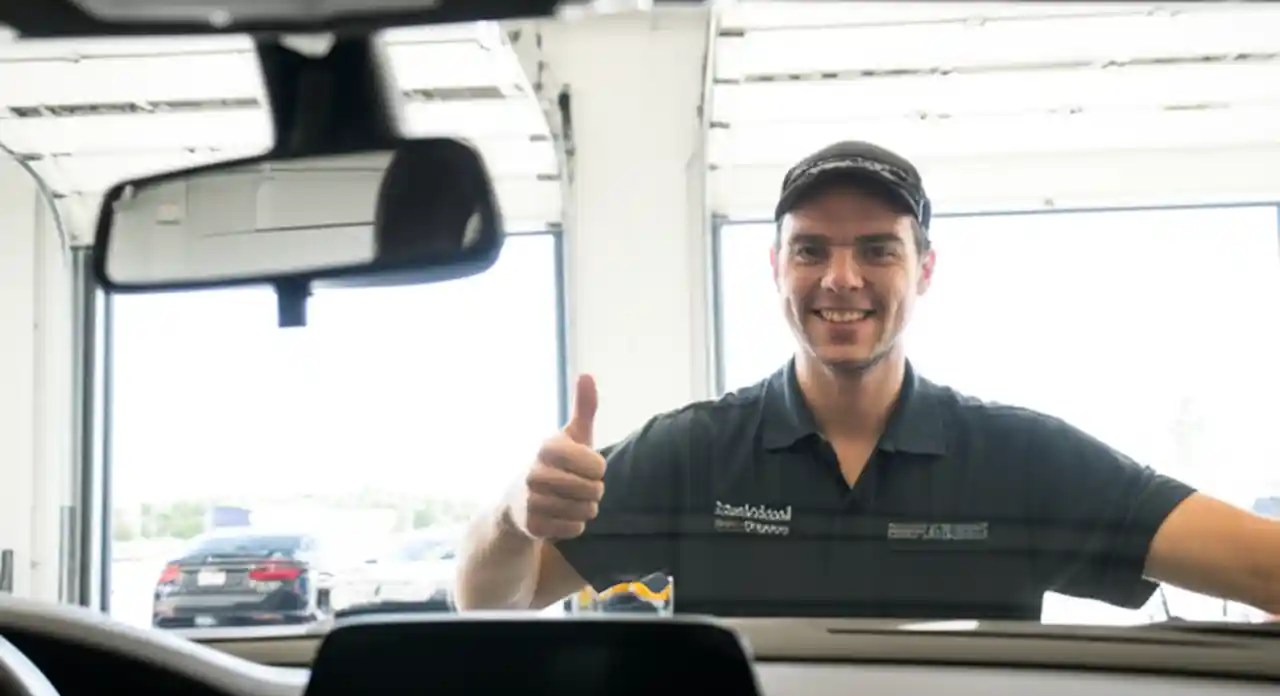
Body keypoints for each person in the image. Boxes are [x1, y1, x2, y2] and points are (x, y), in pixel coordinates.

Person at [454, 141, 1280, 620]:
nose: (841, 278)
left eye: (877, 249)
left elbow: (1259, 567)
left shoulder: (1020, 459)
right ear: (777, 268)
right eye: (812, 248)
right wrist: (514, 516)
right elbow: (490, 600)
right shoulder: (693, 452)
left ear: (923, 269)